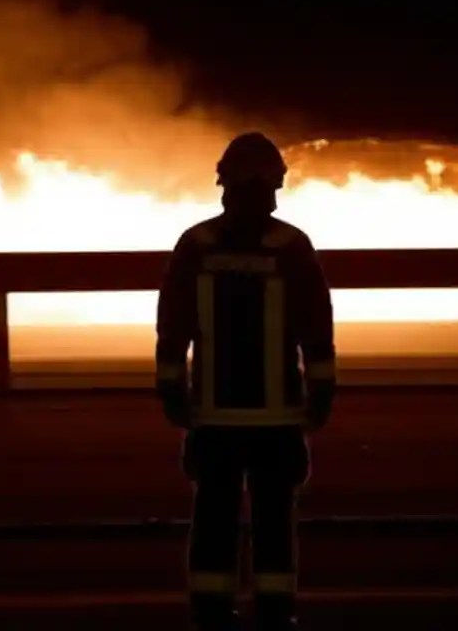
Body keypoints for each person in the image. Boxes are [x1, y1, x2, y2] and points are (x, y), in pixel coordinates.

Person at [155, 132, 336, 631]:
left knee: (213, 517)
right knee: (274, 520)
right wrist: (321, 393)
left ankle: (212, 612)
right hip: (278, 416)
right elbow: (316, 328)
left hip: (213, 415)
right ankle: (276, 613)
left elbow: (173, 327)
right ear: (276, 185)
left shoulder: (197, 245)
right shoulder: (291, 247)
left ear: (223, 184)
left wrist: (171, 389)